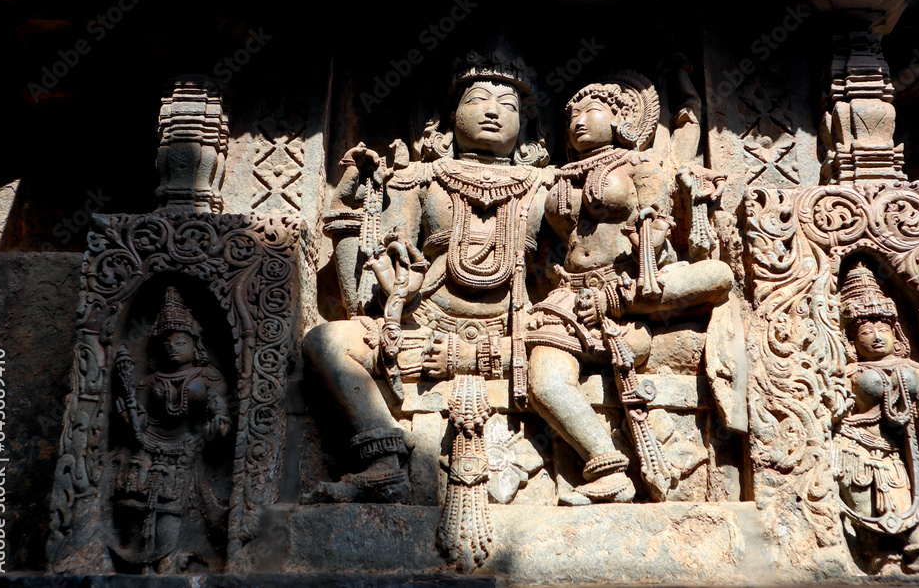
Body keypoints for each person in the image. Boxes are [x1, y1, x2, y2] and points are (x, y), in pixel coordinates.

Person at [304, 42, 551, 569]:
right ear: (448, 116)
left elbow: (575, 269)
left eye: (506, 105)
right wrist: (353, 204)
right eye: (478, 98)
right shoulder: (421, 181)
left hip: (516, 336)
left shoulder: (545, 188)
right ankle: (384, 455)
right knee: (326, 339)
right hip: (424, 325)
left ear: (526, 126)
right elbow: (362, 297)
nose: (491, 110)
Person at [526, 71, 734, 504]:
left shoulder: (638, 165)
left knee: (719, 275)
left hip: (631, 282)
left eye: (591, 110)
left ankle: (622, 308)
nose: (578, 120)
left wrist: (645, 246)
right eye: (572, 114)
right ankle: (607, 467)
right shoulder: (557, 177)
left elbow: (657, 222)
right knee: (544, 381)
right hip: (570, 295)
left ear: (621, 119)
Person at [833, 263, 919, 574]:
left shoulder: (910, 368)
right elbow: (836, 406)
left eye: (883, 330)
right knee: (866, 503)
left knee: (909, 497)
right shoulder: (850, 372)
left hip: (899, 451)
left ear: (896, 332)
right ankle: (880, 558)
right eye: (866, 331)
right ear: (852, 339)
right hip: (858, 448)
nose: (876, 337)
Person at [109, 285, 231, 573]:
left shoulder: (208, 376)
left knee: (170, 509)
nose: (172, 346)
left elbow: (220, 413)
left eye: (179, 340)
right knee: (134, 504)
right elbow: (139, 416)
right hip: (147, 447)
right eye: (166, 342)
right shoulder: (148, 381)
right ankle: (134, 561)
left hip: (187, 451)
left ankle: (168, 559)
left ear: (195, 343)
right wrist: (130, 419)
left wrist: (219, 425)